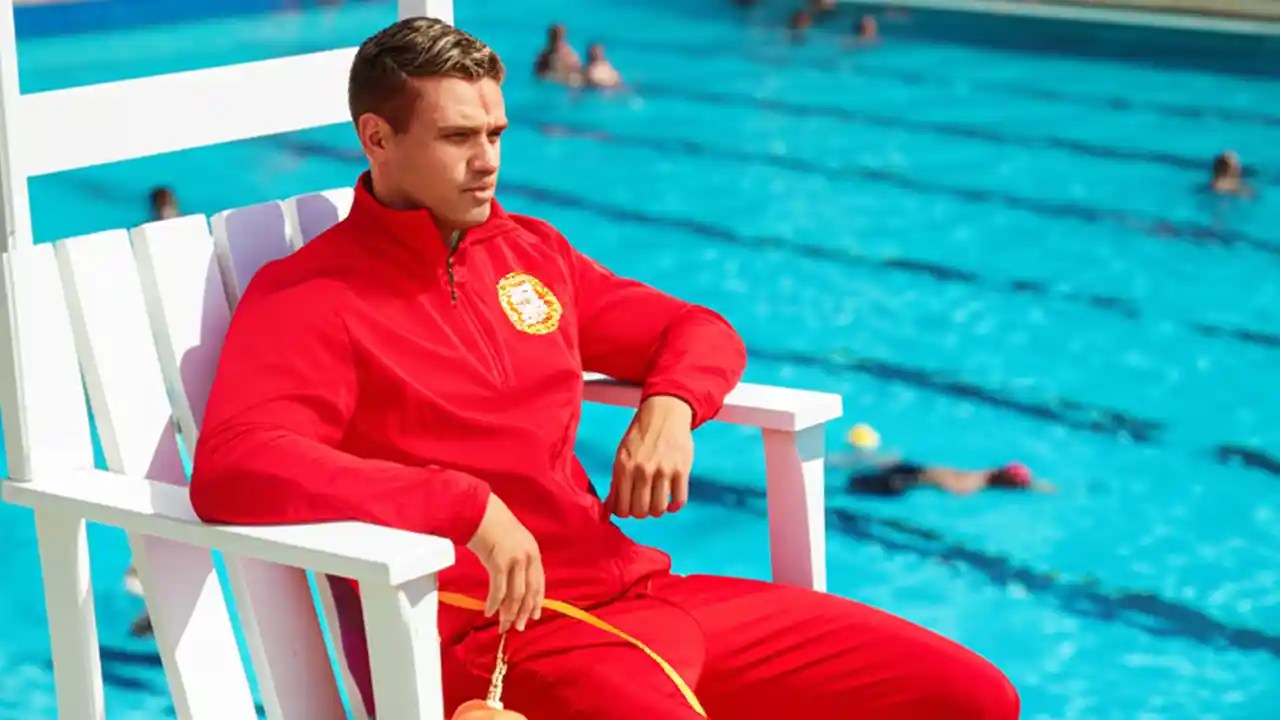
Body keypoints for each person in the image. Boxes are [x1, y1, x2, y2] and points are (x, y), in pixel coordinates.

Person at [189, 17, 1019, 720]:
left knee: (973, 697)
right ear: (377, 137)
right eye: (457, 138)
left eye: (495, 134)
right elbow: (235, 468)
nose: (487, 162)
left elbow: (696, 330)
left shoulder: (528, 255)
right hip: (498, 634)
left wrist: (670, 409)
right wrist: (459, 504)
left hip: (645, 595)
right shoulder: (309, 295)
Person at [835, 424, 1053, 496]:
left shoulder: (982, 474)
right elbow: (951, 486)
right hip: (904, 482)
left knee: (853, 475)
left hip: (913, 472)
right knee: (846, 485)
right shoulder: (973, 485)